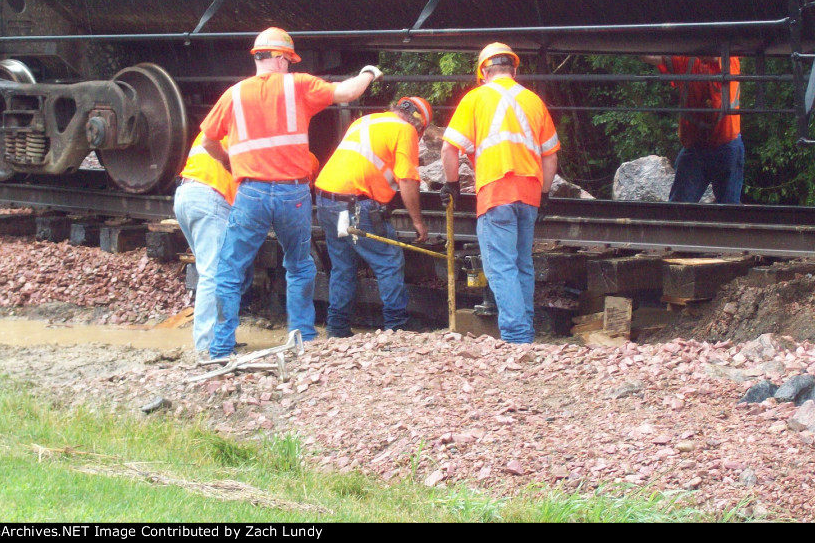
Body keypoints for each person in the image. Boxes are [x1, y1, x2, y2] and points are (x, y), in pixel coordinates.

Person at [199, 27, 382, 357]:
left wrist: (230, 163)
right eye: (289, 59)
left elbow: (209, 140)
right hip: (292, 195)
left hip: (251, 193)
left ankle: (221, 350)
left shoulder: (234, 95)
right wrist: (369, 73)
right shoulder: (298, 86)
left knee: (229, 271)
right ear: (282, 59)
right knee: (298, 267)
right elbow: (346, 91)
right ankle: (302, 341)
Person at [440, 43, 559, 344]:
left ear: (483, 72)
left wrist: (452, 185)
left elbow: (448, 148)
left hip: (496, 190)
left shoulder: (476, 98)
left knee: (501, 265)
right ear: (514, 70)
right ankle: (526, 332)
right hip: (530, 192)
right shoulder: (533, 101)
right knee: (522, 264)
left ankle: (517, 338)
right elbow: (550, 157)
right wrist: (544, 195)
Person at [314, 96, 433, 337]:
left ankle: (337, 329)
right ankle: (396, 329)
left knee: (342, 265)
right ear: (419, 125)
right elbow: (408, 179)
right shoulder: (406, 130)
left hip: (326, 199)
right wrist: (418, 221)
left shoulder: (365, 120)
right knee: (389, 261)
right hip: (356, 204)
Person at [172, 131, 240, 357]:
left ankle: (217, 338)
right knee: (213, 274)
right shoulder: (245, 128)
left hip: (186, 195)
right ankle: (207, 345)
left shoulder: (215, 130)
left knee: (208, 271)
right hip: (210, 198)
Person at [640, 55, 744, 204]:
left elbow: (715, 57)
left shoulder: (729, 57)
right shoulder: (687, 60)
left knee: (729, 210)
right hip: (696, 148)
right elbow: (649, 56)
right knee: (678, 208)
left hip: (726, 146)